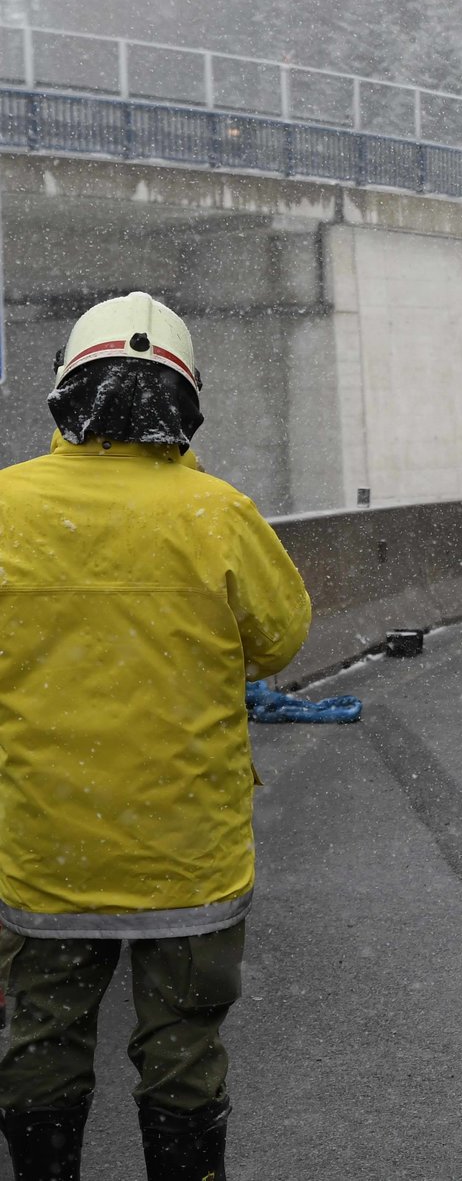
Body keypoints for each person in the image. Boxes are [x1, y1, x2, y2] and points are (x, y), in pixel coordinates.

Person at [0, 292, 312, 1181]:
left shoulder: (6, 507)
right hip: (187, 857)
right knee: (182, 1050)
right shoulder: (216, 514)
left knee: (42, 1043)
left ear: (67, 389)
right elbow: (280, 636)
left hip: (47, 853)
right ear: (181, 399)